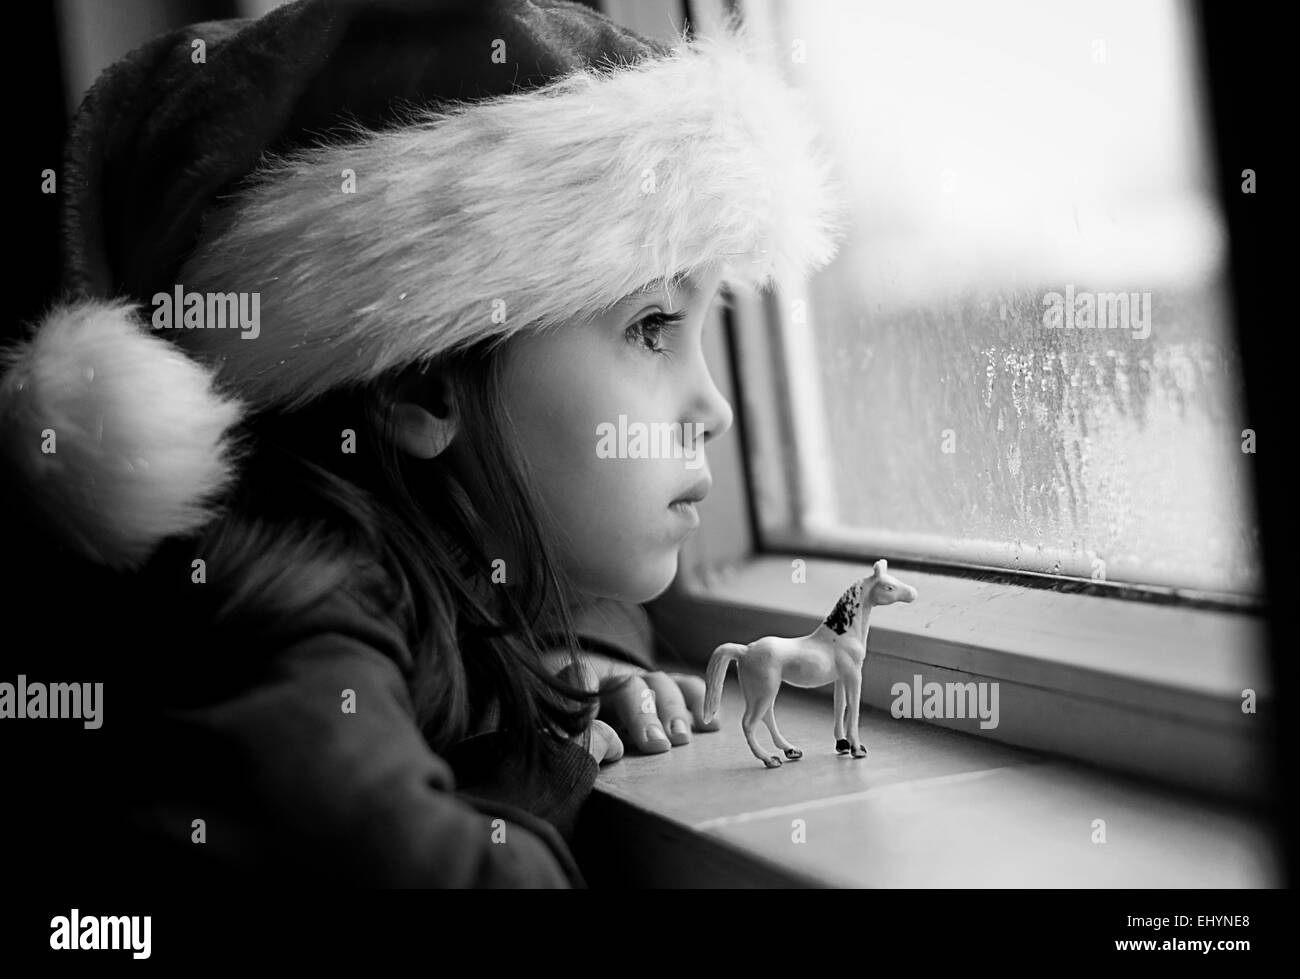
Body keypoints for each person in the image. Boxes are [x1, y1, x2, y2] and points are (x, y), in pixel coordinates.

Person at [0, 0, 845, 886]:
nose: (713, 404)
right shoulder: (292, 600)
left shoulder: (461, 557)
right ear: (422, 389)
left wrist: (573, 661)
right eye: (652, 327)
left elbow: (581, 594)